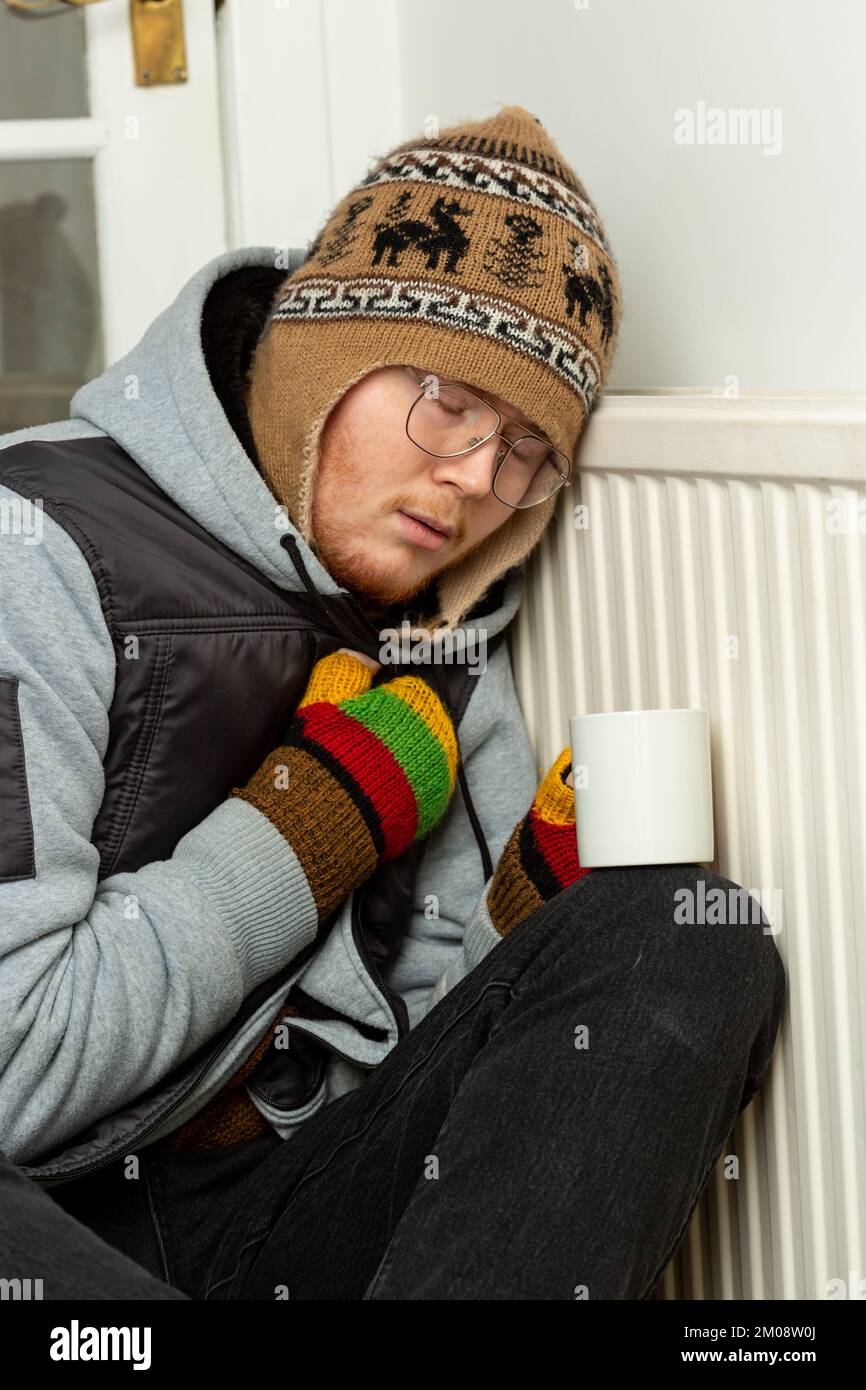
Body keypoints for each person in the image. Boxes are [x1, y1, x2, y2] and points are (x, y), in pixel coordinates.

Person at [0, 105, 785, 1300]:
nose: (476, 479)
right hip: (54, 1237)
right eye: (443, 399)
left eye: (525, 447)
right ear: (317, 360)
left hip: (281, 1216)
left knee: (677, 928)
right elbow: (16, 1077)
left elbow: (443, 1075)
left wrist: (528, 923)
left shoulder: (441, 630)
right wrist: (309, 825)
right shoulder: (36, 547)